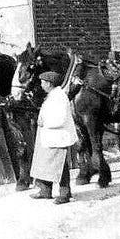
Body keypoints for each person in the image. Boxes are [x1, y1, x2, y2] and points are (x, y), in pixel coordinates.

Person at [29, 71, 78, 205]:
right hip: (49, 136)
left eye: (43, 82)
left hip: (57, 136)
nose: (41, 85)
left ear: (49, 84)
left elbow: (60, 119)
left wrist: (45, 123)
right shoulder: (52, 95)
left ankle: (65, 194)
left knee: (59, 165)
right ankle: (45, 190)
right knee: (45, 163)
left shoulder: (59, 97)